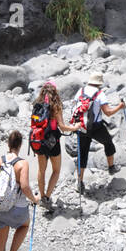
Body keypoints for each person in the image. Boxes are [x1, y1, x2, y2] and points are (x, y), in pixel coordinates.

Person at [0, 129, 38, 251]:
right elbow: (24, 187)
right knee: (24, 225)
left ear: (8, 144)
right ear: (20, 145)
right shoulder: (22, 163)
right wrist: (35, 199)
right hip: (16, 209)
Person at [28, 79, 81, 215]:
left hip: (39, 140)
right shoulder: (56, 106)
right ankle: (47, 197)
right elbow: (62, 126)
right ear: (55, 92)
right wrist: (75, 127)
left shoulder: (37, 104)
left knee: (42, 170)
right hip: (53, 141)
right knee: (56, 170)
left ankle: (41, 195)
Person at [70, 72, 126, 194]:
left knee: (82, 153)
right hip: (96, 127)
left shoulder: (80, 91)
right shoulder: (100, 94)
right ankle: (111, 167)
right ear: (99, 84)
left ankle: (79, 182)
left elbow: (74, 108)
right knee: (108, 143)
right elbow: (108, 113)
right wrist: (120, 106)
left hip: (81, 126)